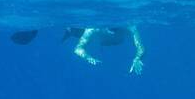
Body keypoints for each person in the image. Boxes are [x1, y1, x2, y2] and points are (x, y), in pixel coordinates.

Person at [9, 26, 145, 75]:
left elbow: (141, 47)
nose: (111, 29)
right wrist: (89, 58)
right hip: (75, 31)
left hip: (99, 42)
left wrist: (138, 58)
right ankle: (30, 32)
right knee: (67, 30)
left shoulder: (129, 26)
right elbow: (77, 49)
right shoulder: (93, 28)